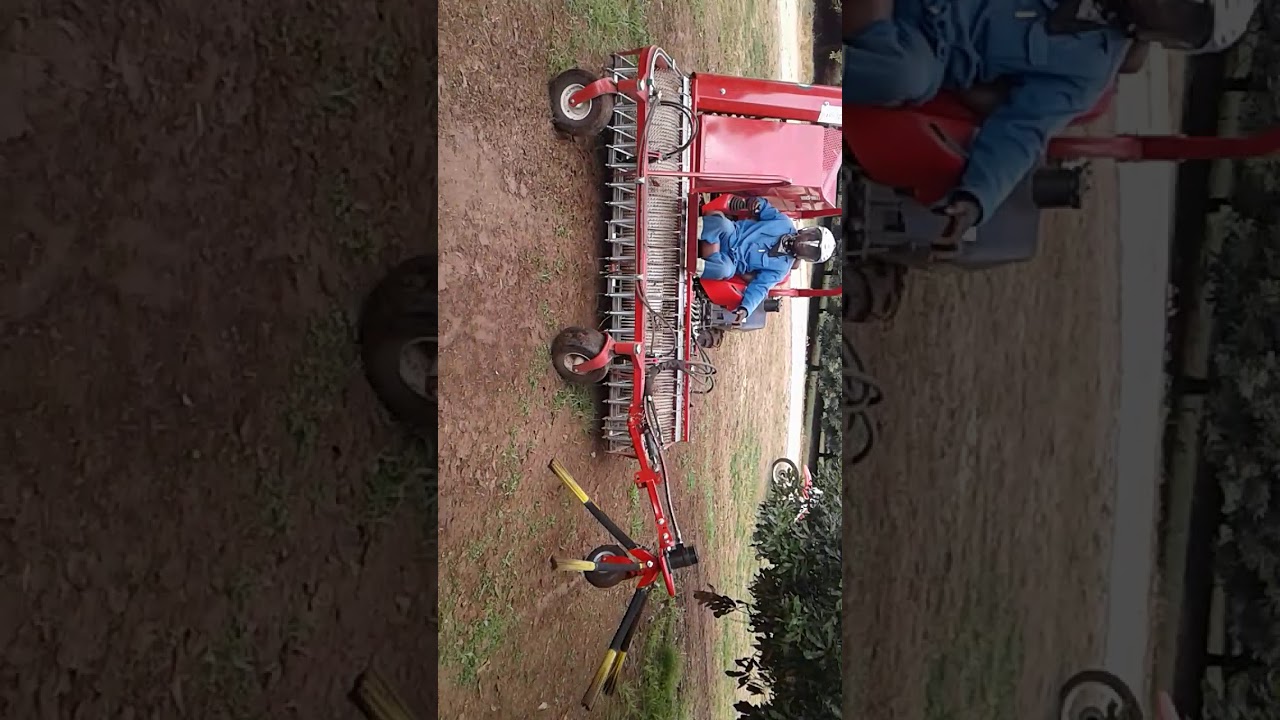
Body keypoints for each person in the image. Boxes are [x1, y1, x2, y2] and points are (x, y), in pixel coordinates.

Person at [844, 0, 1259, 252]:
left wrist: (975, 201)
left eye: (1184, 19)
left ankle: (792, 79)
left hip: (921, 47)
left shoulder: (1090, 70)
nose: (1165, 7)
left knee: (901, 76)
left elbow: (1022, 132)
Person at [694, 196, 836, 324]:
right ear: (808, 230)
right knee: (723, 225)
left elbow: (760, 288)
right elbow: (764, 207)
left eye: (811, 249)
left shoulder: (781, 269)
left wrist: (745, 309)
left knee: (723, 270)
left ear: (808, 258)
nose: (807, 243)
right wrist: (756, 203)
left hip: (731, 261)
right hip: (732, 234)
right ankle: (692, 227)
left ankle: (691, 265)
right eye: (811, 237)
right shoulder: (784, 223)